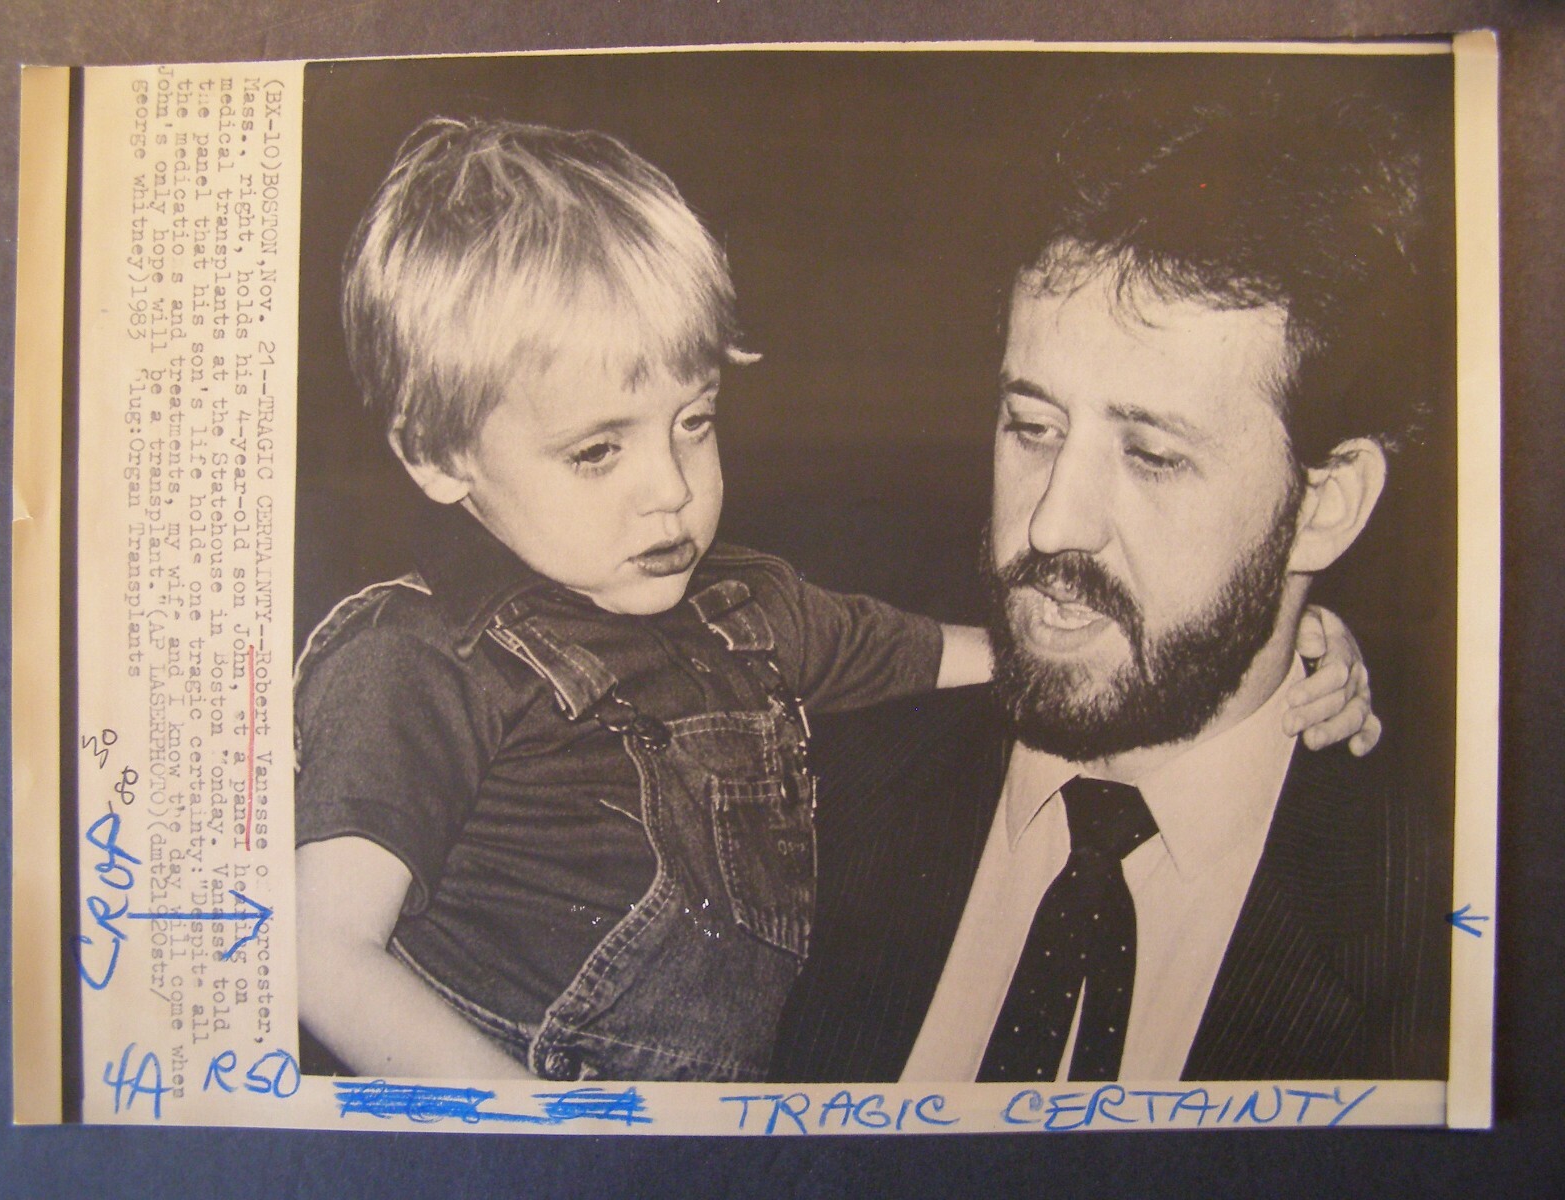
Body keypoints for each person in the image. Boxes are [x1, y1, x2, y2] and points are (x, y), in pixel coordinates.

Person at [293, 115, 1376, 1084]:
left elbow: (986, 650)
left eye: (695, 421)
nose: (669, 488)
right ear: (436, 455)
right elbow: (313, 953)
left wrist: (1269, 637)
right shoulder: (411, 659)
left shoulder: (758, 613)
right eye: (594, 451)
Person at [771, 93, 1448, 1084]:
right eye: (1033, 428)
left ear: (1325, 508)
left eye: (1153, 454)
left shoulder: (1444, 941)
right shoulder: (806, 799)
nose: (1051, 524)